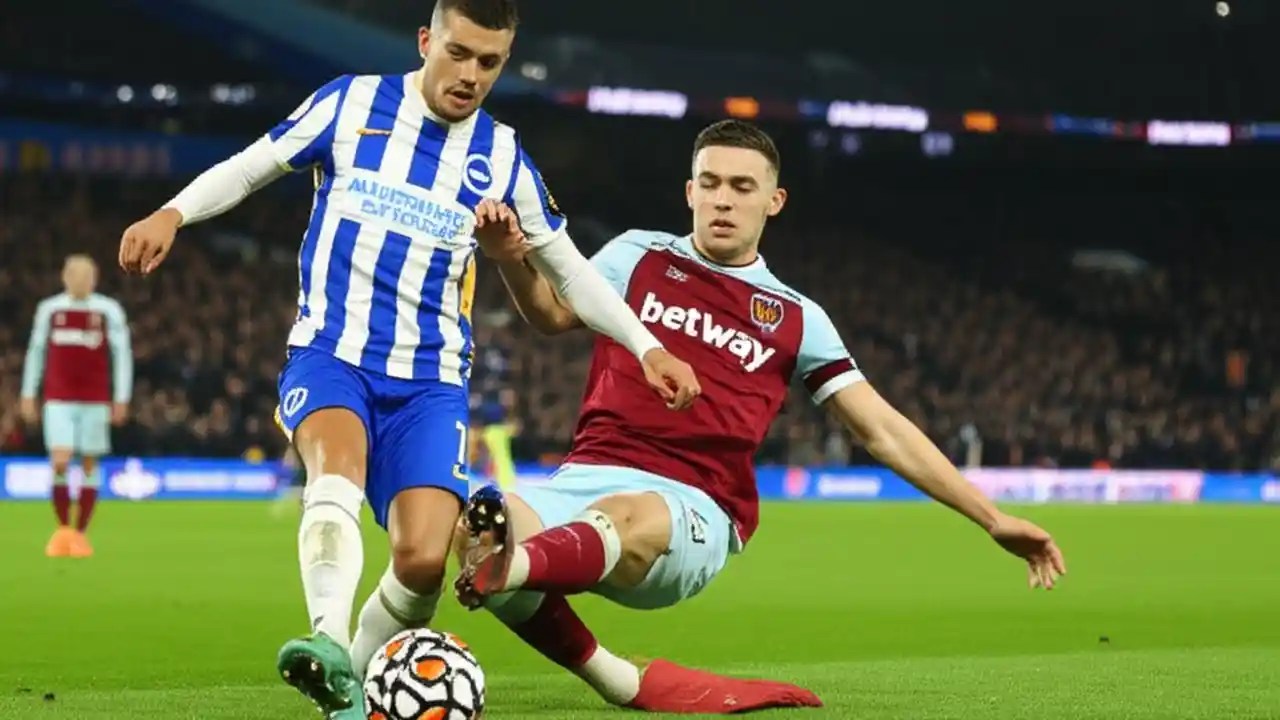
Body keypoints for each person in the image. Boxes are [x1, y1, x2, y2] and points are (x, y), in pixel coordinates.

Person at [116, 1, 699, 717]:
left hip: (430, 385)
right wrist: (171, 212)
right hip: (332, 353)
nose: (471, 75)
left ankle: (344, 691)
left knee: (423, 561)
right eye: (458, 53)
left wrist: (647, 346)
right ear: (427, 41)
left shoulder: (503, 157)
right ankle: (327, 636)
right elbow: (249, 168)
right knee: (334, 470)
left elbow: (571, 273)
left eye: (489, 63)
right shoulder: (350, 103)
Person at [452, 119, 1068, 714]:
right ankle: (614, 677)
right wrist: (509, 259)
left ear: (774, 201)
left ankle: (516, 564)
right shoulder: (635, 256)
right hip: (586, 477)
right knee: (478, 529)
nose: (723, 200)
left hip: (692, 508)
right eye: (711, 183)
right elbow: (554, 315)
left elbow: (880, 431)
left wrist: (990, 518)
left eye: (742, 188)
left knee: (614, 519)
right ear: (690, 192)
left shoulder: (796, 316)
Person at [21, 254, 132, 559]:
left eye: (87, 275)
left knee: (88, 463)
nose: (81, 281)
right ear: (65, 277)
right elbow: (36, 351)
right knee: (60, 460)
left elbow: (122, 356)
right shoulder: (50, 309)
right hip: (58, 396)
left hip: (95, 397)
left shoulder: (108, 310)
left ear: (94, 279)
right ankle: (62, 529)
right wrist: (28, 393)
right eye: (76, 275)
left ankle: (80, 534)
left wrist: (121, 397)